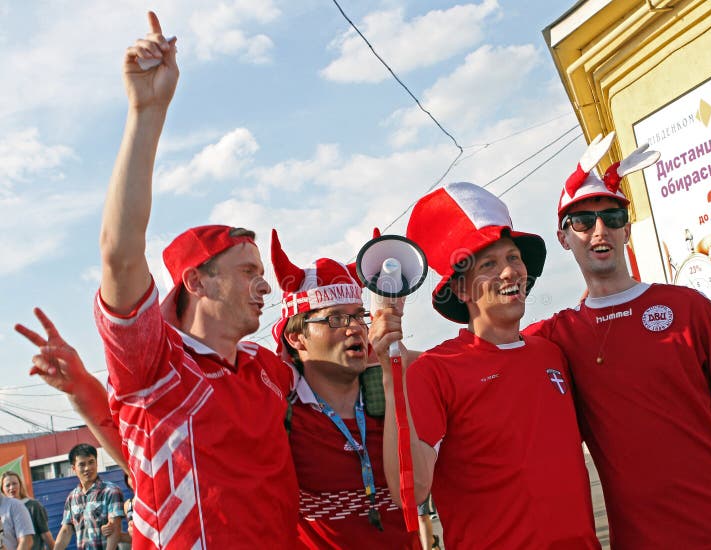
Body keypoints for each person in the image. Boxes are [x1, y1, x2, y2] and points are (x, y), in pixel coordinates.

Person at [21, 10, 297, 549]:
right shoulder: (154, 358)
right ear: (197, 282)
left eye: (262, 274)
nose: (264, 287)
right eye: (247, 273)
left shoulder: (270, 370)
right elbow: (121, 255)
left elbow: (140, 454)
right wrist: (147, 112)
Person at [524, 132, 711, 548]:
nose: (600, 230)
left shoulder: (688, 307)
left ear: (626, 230)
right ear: (564, 238)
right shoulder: (557, 336)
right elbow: (481, 355)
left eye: (612, 218)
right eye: (583, 221)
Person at [371, 182, 599, 549]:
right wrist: (388, 373)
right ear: (461, 291)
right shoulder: (435, 370)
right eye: (489, 264)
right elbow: (409, 493)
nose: (509, 272)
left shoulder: (552, 352)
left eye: (513, 258)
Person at [272, 230, 420, 548]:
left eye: (358, 316)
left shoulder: (392, 384)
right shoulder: (278, 410)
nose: (354, 328)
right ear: (296, 338)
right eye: (336, 320)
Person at [53, 444, 123, 550]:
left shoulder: (111, 491)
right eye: (82, 464)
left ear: (96, 463)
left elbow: (115, 529)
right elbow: (66, 530)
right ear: (73, 468)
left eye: (91, 462)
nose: (87, 468)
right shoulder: (72, 497)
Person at [1, 471, 54, 550]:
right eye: (7, 485)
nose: (11, 487)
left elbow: (46, 534)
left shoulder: (33, 506)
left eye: (14, 483)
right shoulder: (3, 510)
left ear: (20, 485)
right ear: (2, 489)